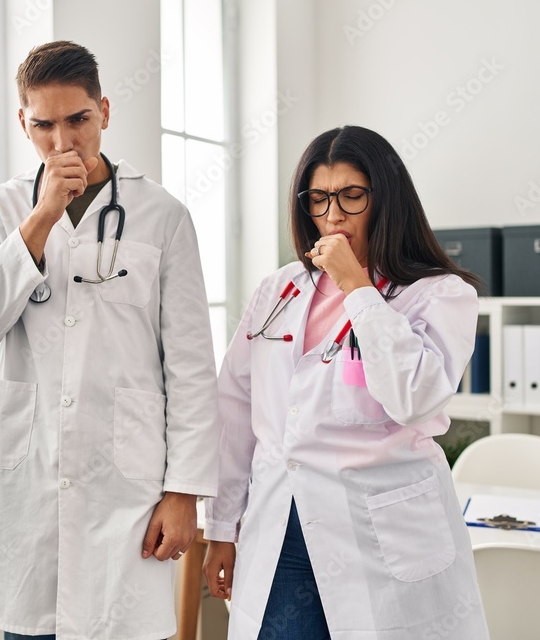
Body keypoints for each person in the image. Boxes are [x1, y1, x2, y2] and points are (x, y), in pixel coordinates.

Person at [0, 41, 219, 640]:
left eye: (78, 119)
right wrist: (40, 219)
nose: (62, 141)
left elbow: (191, 366)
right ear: (24, 123)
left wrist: (183, 493)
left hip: (126, 492)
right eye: (44, 125)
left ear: (105, 112)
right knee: (32, 626)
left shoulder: (163, 215)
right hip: (29, 487)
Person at [202, 125, 490, 638]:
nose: (333, 215)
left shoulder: (437, 293)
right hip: (280, 531)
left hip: (381, 536)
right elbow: (235, 410)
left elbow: (415, 398)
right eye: (318, 199)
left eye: (351, 196)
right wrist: (222, 526)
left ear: (387, 199)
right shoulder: (279, 290)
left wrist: (357, 287)